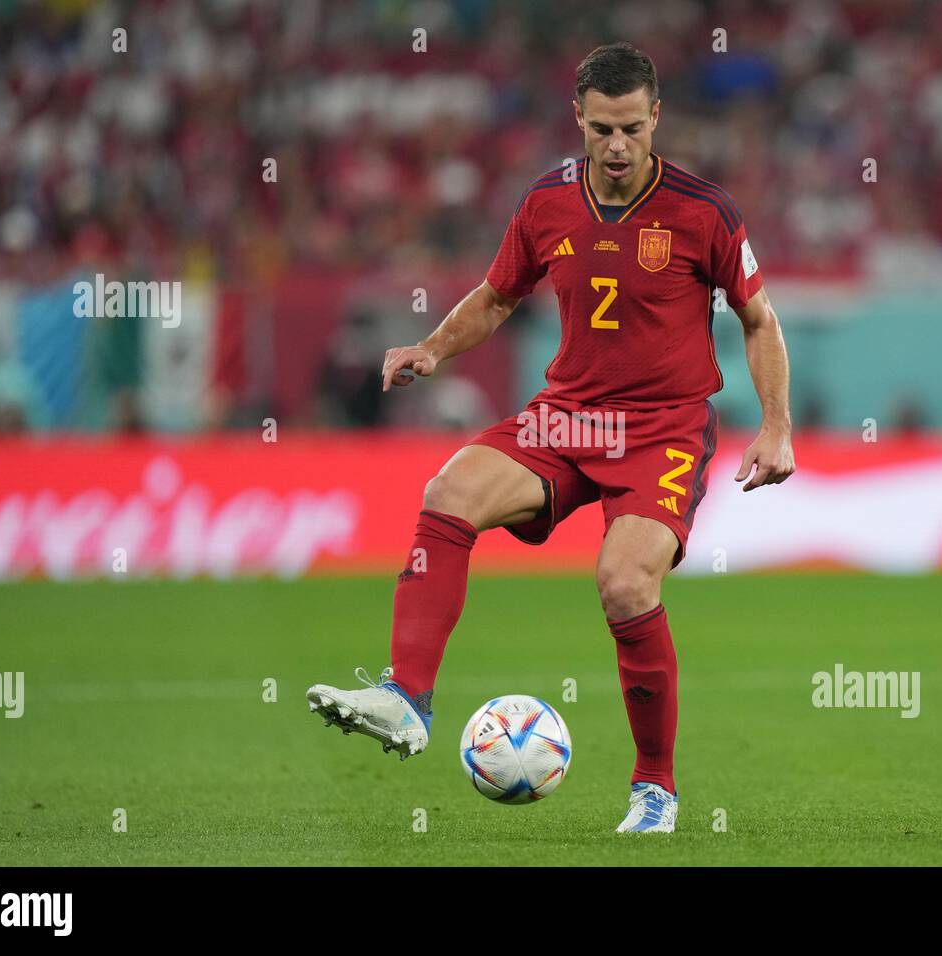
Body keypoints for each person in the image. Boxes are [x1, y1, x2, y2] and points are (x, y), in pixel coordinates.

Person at [307, 42, 795, 833]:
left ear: (656, 118)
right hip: (567, 417)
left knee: (627, 584)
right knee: (448, 493)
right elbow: (497, 298)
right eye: (602, 128)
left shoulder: (705, 211)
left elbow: (758, 319)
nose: (616, 146)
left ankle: (656, 789)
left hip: (662, 429)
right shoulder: (546, 203)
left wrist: (775, 425)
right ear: (578, 117)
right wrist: (432, 346)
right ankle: (407, 699)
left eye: (632, 128)